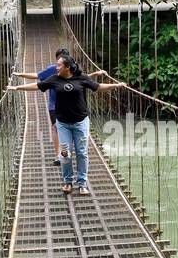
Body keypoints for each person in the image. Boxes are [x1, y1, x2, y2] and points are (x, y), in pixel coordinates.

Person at [12, 54, 123, 195]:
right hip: (63, 124)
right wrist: (17, 88)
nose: (56, 67)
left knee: (82, 153)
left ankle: (82, 184)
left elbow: (98, 87)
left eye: (59, 65)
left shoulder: (82, 78)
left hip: (81, 123)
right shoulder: (54, 79)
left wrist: (116, 85)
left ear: (68, 67)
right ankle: (68, 182)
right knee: (65, 154)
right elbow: (37, 85)